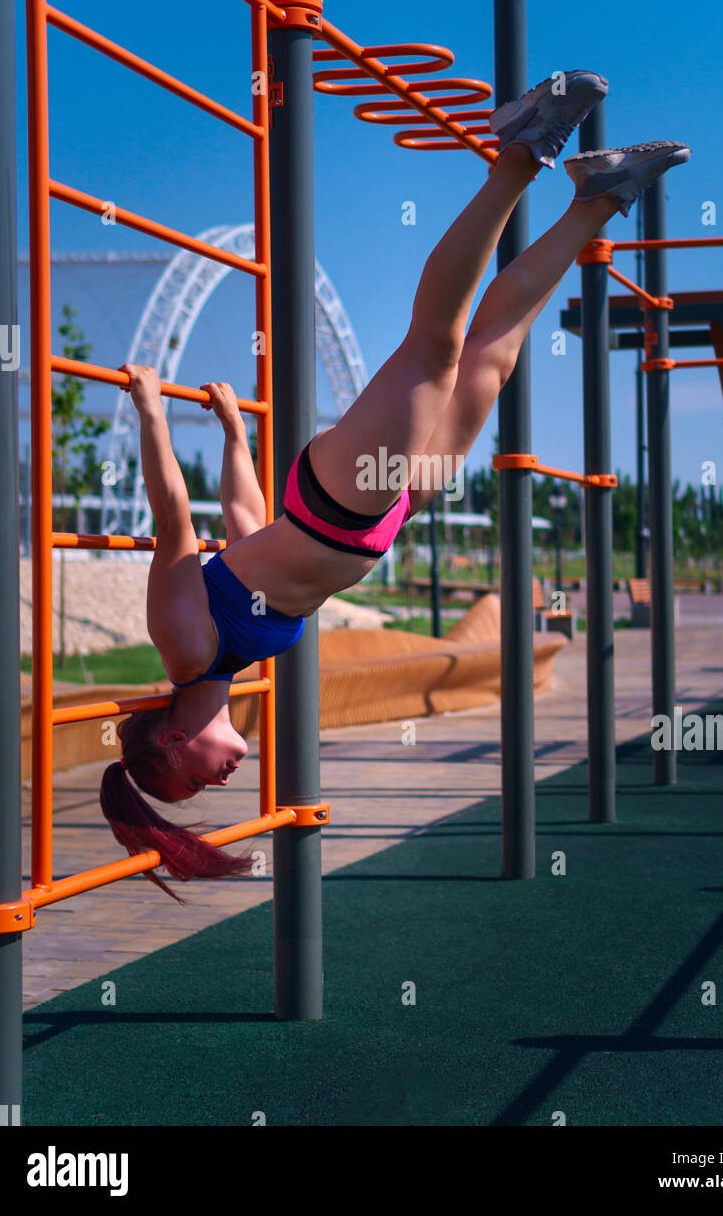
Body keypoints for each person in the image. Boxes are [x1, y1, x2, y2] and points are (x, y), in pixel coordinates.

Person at [99, 69, 690, 895]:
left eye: (193, 782)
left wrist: (152, 412)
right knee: (495, 349)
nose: (218, 783)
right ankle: (594, 203)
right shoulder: (228, 667)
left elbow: (173, 527)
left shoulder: (184, 645)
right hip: (379, 513)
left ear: (167, 742)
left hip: (341, 503)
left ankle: (515, 156)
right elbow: (245, 527)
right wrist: (236, 435)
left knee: (436, 349)